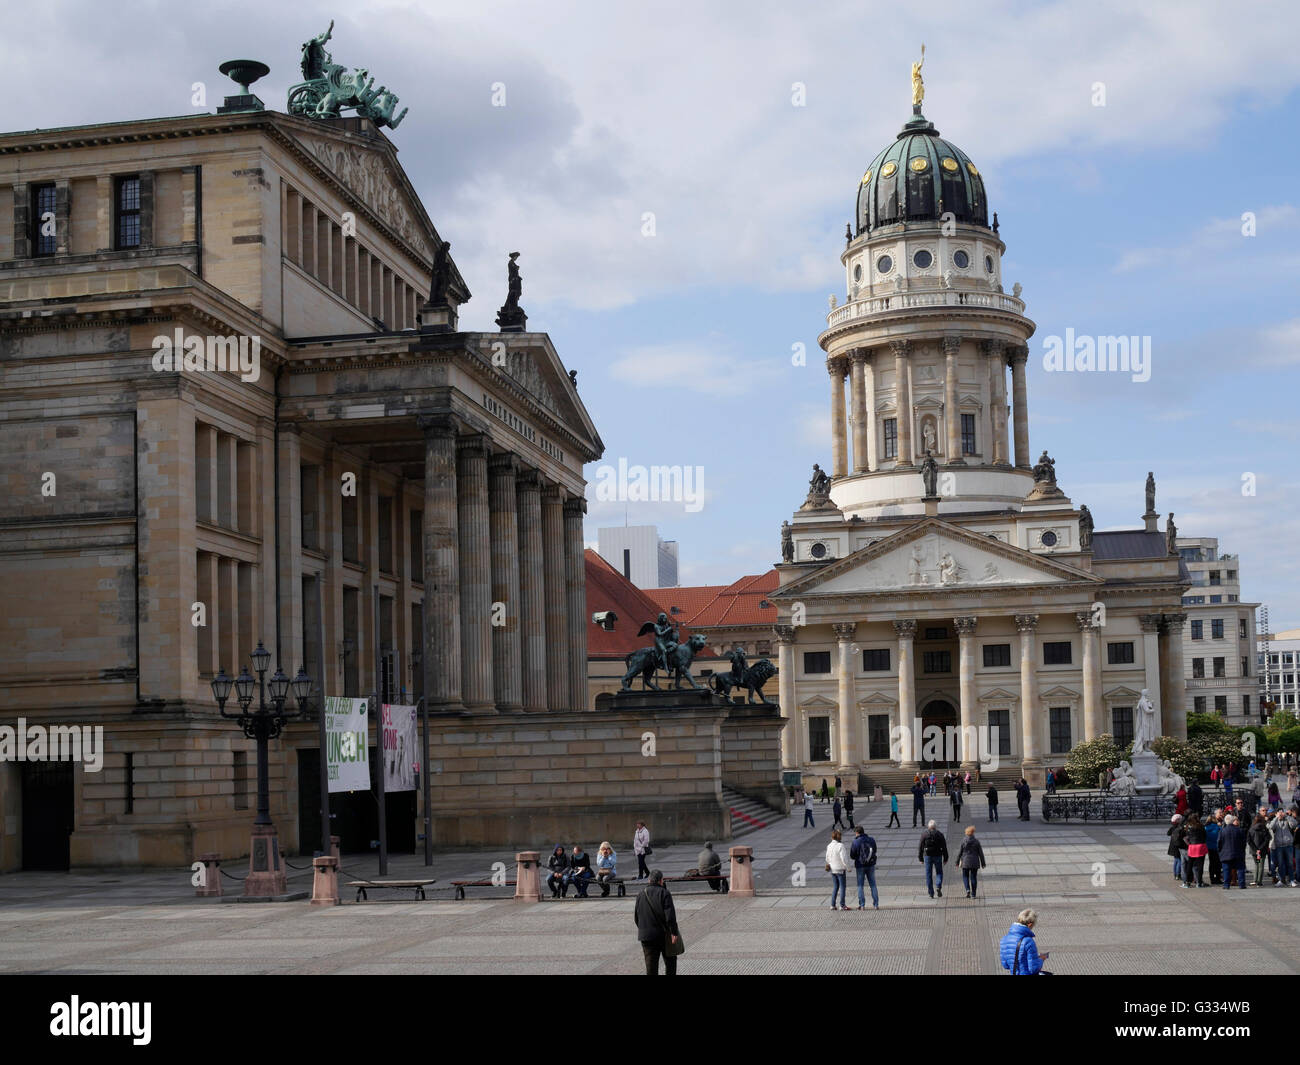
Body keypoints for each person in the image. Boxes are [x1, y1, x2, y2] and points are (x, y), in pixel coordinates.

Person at [633, 870, 680, 975]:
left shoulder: (641, 894)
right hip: (663, 935)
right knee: (670, 962)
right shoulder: (664, 893)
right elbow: (670, 916)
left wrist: (643, 928)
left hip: (646, 936)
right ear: (661, 881)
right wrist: (674, 932)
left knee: (651, 967)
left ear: (649, 880)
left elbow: (636, 916)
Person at [999, 909, 1049, 975]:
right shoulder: (1028, 942)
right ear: (1030, 925)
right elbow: (1033, 969)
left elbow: (1005, 965)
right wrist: (1041, 959)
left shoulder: (1004, 939)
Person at [850, 825, 879, 909]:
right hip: (870, 864)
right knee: (873, 885)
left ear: (857, 833)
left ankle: (862, 905)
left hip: (860, 865)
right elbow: (875, 850)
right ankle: (876, 904)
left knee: (860, 885)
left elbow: (852, 855)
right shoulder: (871, 839)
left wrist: (858, 857)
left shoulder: (855, 842)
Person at [918, 818, 948, 899]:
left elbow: (920, 846)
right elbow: (944, 847)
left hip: (927, 856)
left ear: (928, 827)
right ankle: (938, 885)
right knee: (939, 872)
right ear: (935, 827)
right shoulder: (940, 834)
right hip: (938, 855)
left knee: (928, 874)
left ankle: (931, 893)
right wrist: (946, 858)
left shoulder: (924, 834)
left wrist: (920, 858)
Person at [1268, 808, 1297, 887]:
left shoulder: (1287, 819)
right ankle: (1282, 880)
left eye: (1282, 812)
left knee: (1290, 863)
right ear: (1276, 813)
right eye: (1279, 812)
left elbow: (1294, 824)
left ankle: (1291, 880)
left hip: (1288, 845)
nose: (1281, 814)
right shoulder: (1275, 820)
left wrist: (1287, 816)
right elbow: (1270, 827)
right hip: (1279, 846)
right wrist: (1276, 818)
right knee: (1280, 864)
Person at [1218, 814, 1247, 890]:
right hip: (1238, 853)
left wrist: (1220, 852)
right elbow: (1244, 842)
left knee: (1226, 870)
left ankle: (1226, 885)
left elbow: (1219, 843)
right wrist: (1242, 850)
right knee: (1240, 869)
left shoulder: (1222, 831)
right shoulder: (1239, 830)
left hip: (1226, 854)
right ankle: (1242, 884)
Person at [957, 825, 987, 898]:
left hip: (965, 862)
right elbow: (981, 853)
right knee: (973, 877)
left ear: (966, 833)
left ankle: (967, 889)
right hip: (974, 862)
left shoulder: (963, 841)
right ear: (973, 833)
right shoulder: (976, 841)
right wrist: (983, 863)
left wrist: (957, 862)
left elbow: (960, 852)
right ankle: (973, 894)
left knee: (965, 876)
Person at [826, 828, 849, 911]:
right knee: (842, 887)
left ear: (832, 837)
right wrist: (847, 867)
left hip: (832, 869)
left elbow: (827, 858)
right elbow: (844, 858)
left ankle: (832, 905)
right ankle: (842, 905)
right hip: (840, 869)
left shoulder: (829, 846)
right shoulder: (840, 846)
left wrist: (830, 864)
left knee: (835, 887)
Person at [1182, 814, 1207, 888]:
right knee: (1200, 865)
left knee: (1190, 864)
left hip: (1192, 846)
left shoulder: (1188, 827)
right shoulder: (1201, 826)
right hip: (1201, 846)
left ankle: (1187, 882)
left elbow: (1186, 837)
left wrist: (1189, 843)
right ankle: (1199, 882)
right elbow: (1205, 836)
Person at [1248, 811, 1272, 887]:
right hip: (1262, 851)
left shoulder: (1251, 829)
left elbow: (1249, 840)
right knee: (1261, 865)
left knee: (1256, 864)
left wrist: (1255, 849)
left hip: (1254, 851)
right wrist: (1260, 849)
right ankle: (1259, 881)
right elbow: (1267, 839)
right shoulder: (1264, 828)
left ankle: (1255, 880)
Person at [1166, 815, 1185, 882]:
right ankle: (1178, 875)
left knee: (1176, 860)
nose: (1181, 820)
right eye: (1180, 819)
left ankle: (1175, 874)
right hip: (1177, 846)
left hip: (1172, 846)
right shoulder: (1179, 827)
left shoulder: (1173, 827)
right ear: (1177, 820)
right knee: (1179, 860)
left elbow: (1168, 833)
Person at [1206, 810, 1223, 884]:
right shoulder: (1217, 827)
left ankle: (1212, 878)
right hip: (1217, 847)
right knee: (1218, 863)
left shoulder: (1206, 828)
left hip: (1209, 848)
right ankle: (1218, 878)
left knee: (1211, 863)